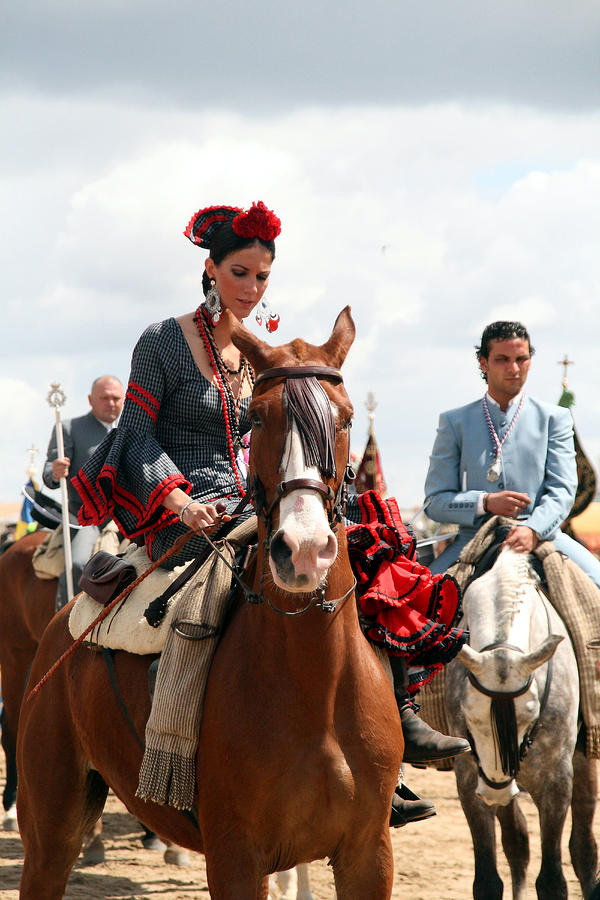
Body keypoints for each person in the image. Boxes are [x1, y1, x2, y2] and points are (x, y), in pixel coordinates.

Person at [73, 201, 468, 825]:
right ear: (210, 268)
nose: (252, 289)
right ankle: (178, 749)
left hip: (264, 498)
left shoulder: (273, 350)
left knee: (369, 556)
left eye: (262, 277)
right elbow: (138, 434)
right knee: (200, 604)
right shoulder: (163, 341)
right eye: (239, 273)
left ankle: (393, 727)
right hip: (184, 508)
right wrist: (177, 497)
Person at [424, 320, 600, 589]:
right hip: (471, 541)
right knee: (415, 604)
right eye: (503, 359)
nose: (514, 368)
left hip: (544, 536)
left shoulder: (555, 418)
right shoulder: (455, 422)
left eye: (522, 359)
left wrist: (533, 529)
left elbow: (563, 491)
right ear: (483, 363)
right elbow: (435, 502)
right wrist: (484, 502)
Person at [43, 375, 124, 608]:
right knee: (79, 563)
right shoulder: (68, 428)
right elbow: (49, 474)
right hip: (87, 517)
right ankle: (71, 623)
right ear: (91, 400)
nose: (111, 403)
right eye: (105, 398)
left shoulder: (133, 429)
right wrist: (55, 471)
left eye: (116, 398)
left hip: (126, 515)